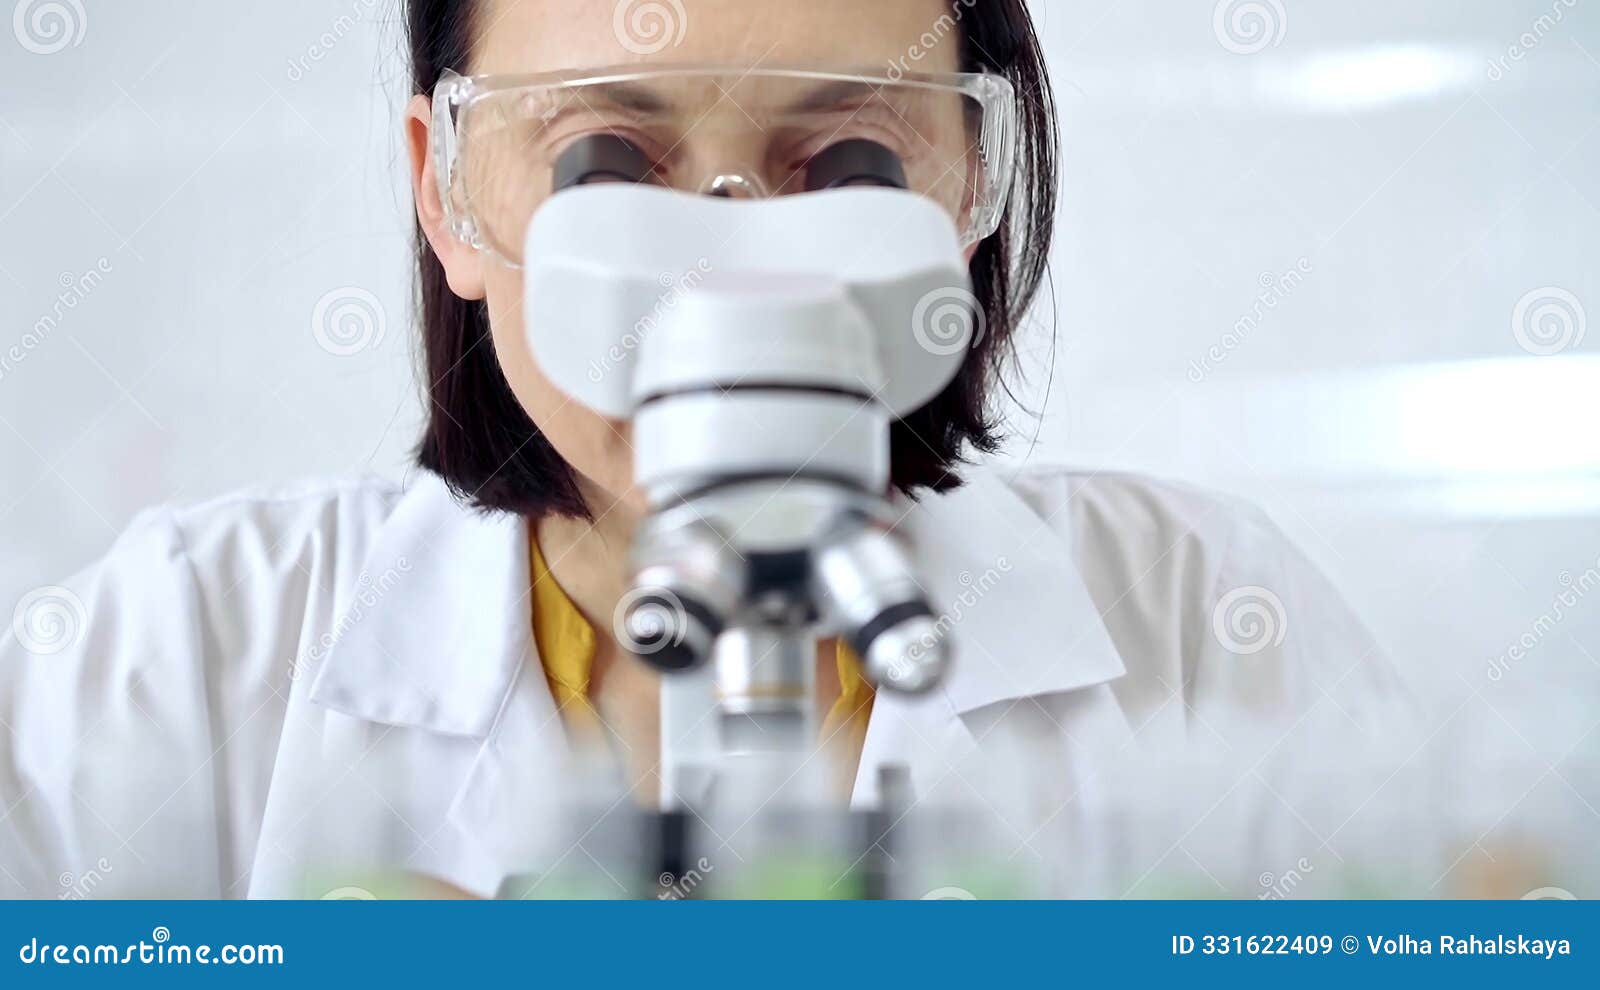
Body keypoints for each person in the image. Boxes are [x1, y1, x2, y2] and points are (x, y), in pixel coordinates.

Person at [0, 0, 1408, 899]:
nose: (729, 268)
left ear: (971, 184)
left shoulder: (1201, 618)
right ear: (446, 195)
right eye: (607, 162)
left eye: (846, 163)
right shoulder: (170, 649)